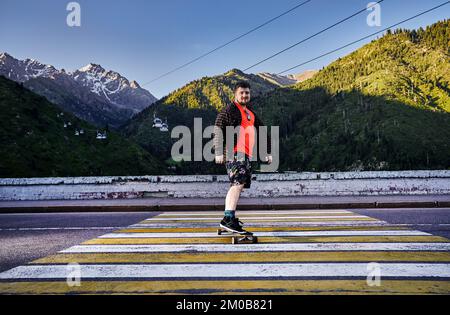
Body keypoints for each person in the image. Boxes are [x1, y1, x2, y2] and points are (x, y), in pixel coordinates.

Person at [213, 81, 272, 234]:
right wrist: (218, 151)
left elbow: (263, 131)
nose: (245, 95)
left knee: (237, 185)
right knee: (237, 184)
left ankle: (228, 219)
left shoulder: (250, 113)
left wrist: (267, 151)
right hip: (234, 153)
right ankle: (228, 219)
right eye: (242, 93)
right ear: (235, 94)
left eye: (247, 93)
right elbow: (218, 127)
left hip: (246, 155)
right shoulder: (230, 110)